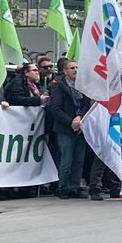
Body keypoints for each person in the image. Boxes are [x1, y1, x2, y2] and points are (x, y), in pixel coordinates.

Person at [44, 60, 88, 200]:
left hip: (81, 126)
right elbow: (56, 109)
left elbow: (87, 104)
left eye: (77, 67)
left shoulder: (82, 86)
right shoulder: (59, 87)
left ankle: (74, 187)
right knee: (66, 160)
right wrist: (71, 122)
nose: (75, 70)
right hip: (65, 128)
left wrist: (80, 117)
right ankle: (63, 188)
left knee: (79, 160)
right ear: (65, 71)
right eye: (72, 68)